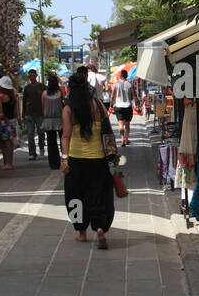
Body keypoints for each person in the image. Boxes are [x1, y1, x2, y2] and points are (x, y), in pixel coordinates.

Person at [62, 68, 115, 249]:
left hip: (76, 160)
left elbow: (66, 136)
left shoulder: (68, 109)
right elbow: (107, 130)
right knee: (98, 195)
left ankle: (82, 233)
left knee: (75, 196)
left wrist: (64, 159)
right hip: (98, 158)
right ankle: (100, 227)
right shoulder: (98, 105)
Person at [0, 75, 19, 172]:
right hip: (11, 121)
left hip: (4, 122)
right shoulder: (12, 95)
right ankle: (9, 162)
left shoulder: (0, 97)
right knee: (9, 143)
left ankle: (7, 163)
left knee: (6, 143)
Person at [21, 69, 46, 160]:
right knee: (30, 134)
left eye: (33, 75)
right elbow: (24, 101)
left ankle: (42, 146)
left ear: (36, 75)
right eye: (30, 76)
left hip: (40, 113)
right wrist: (23, 115)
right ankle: (32, 152)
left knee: (41, 132)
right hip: (30, 113)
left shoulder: (42, 86)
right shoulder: (27, 88)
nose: (31, 77)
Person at [41, 72, 64, 169]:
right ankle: (65, 159)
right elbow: (64, 101)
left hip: (48, 120)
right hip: (60, 119)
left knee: (51, 142)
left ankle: (54, 163)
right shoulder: (60, 91)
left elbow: (43, 107)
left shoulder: (44, 94)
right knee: (63, 139)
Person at [112, 68, 134, 146]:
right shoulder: (129, 84)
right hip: (128, 106)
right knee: (127, 124)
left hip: (118, 106)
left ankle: (122, 140)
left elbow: (112, 96)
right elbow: (133, 96)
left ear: (120, 76)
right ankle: (126, 139)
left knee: (120, 124)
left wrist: (111, 104)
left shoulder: (116, 84)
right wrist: (137, 103)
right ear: (127, 76)